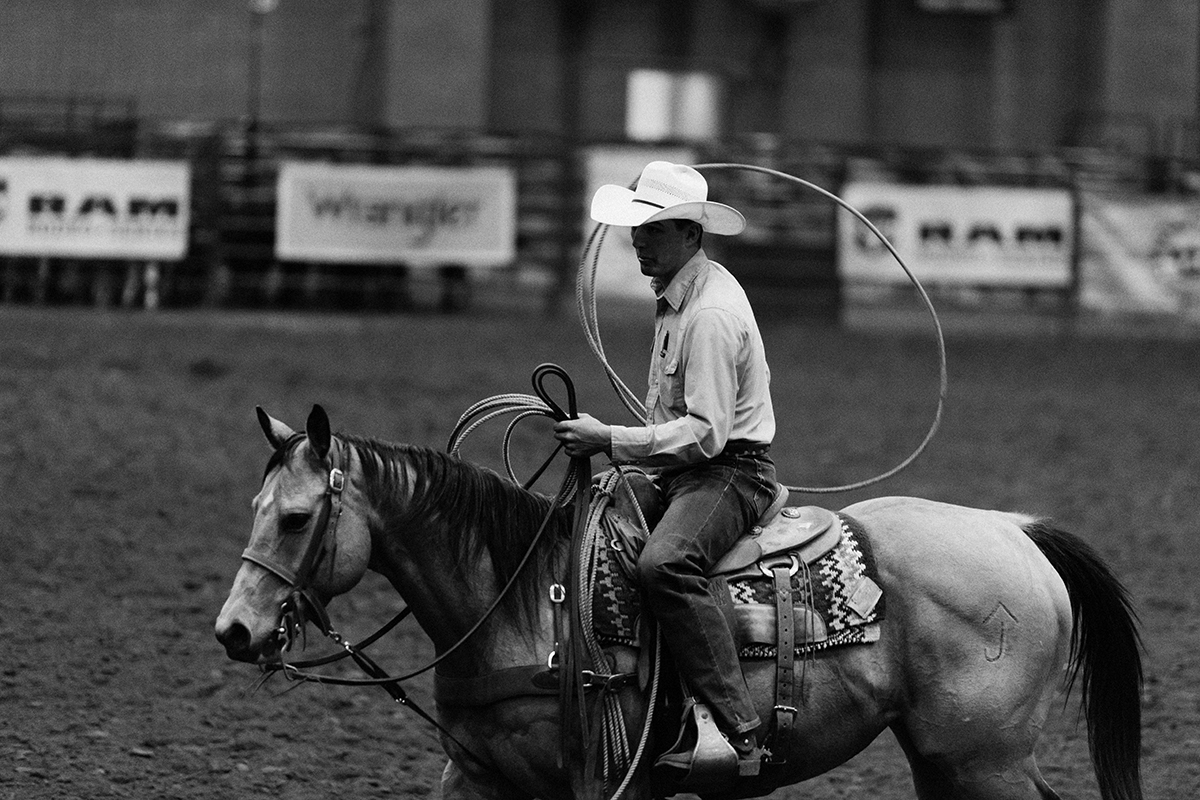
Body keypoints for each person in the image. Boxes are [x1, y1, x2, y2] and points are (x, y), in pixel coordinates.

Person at [554, 161, 778, 776]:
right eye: (637, 229)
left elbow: (706, 436)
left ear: (687, 233)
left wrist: (610, 439)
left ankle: (739, 729)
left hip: (728, 474)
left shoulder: (707, 315)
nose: (637, 242)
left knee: (666, 563)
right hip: (688, 470)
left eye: (650, 231)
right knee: (591, 522)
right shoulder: (680, 294)